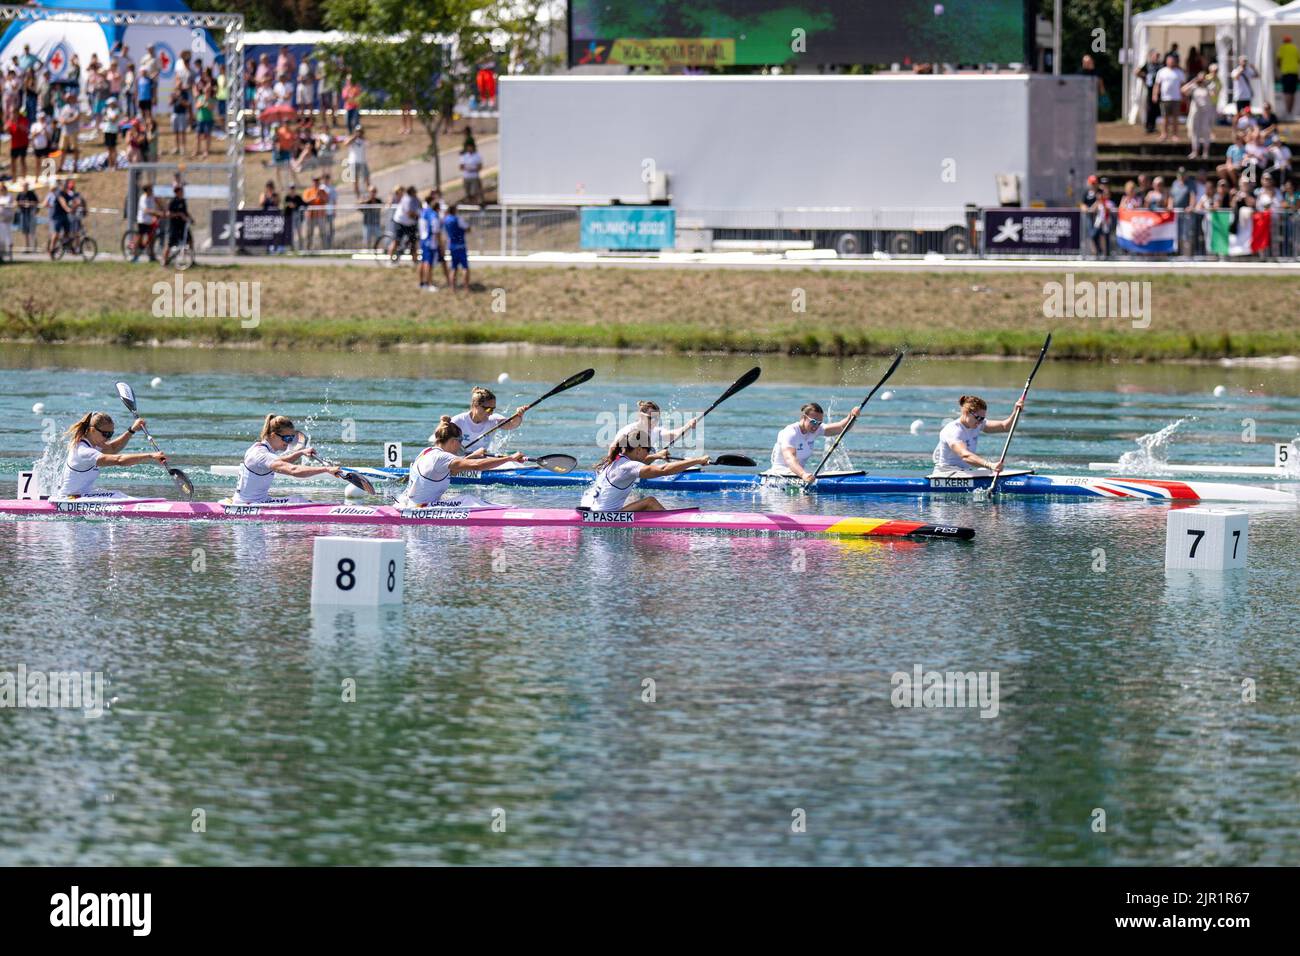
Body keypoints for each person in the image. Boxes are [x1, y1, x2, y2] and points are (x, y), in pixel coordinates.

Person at [397, 417, 525, 509]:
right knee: (469, 499)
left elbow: (452, 470)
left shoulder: (427, 451)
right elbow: (477, 466)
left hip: (410, 504)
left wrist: (473, 455)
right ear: (453, 441)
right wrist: (510, 458)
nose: (460, 445)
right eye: (460, 440)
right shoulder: (442, 457)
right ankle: (509, 510)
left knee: (460, 496)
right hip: (421, 508)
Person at [580, 430, 709, 513]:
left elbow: (641, 466)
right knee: (650, 502)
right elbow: (662, 470)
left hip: (595, 512)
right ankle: (670, 527)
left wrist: (656, 456)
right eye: (648, 449)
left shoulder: (614, 461)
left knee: (642, 501)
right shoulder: (628, 467)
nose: (648, 452)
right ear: (639, 449)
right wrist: (697, 460)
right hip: (606, 517)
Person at [231, 415, 340, 504]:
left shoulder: (259, 448)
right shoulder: (262, 455)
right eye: (287, 438)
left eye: (292, 438)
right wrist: (325, 469)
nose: (289, 442)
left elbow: (279, 461)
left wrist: (301, 452)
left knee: (297, 499)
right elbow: (293, 470)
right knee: (298, 500)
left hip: (253, 501)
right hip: (251, 505)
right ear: (273, 435)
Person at [58, 411, 166, 498]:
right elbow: (118, 460)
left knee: (117, 494)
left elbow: (113, 448)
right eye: (106, 434)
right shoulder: (83, 451)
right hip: (70, 499)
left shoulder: (92, 444)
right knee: (117, 495)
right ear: (92, 430)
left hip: (83, 496)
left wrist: (131, 430)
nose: (109, 438)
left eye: (111, 434)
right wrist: (150, 456)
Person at [769, 402, 861, 484]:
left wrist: (851, 416)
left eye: (819, 423)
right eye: (813, 421)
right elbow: (790, 459)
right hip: (780, 475)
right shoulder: (790, 433)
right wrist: (803, 474)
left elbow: (841, 427)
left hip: (799, 475)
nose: (816, 426)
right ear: (804, 417)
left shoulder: (815, 429)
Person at [931, 395, 1024, 476]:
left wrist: (1016, 412)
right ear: (966, 412)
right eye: (978, 418)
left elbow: (1005, 427)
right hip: (946, 474)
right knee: (987, 470)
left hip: (964, 472)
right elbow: (965, 456)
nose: (980, 422)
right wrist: (990, 465)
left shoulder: (977, 424)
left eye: (982, 418)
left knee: (986, 471)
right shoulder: (953, 430)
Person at [435, 386, 529, 448]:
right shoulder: (458, 421)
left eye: (493, 409)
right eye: (488, 409)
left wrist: (519, 415)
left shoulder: (494, 420)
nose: (491, 413)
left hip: (481, 460)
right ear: (475, 405)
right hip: (460, 460)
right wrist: (443, 424)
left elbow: (512, 425)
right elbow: (440, 442)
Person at [613, 400, 702, 459]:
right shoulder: (627, 431)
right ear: (640, 415)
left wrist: (688, 426)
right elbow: (614, 450)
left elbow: (674, 435)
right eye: (650, 417)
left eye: (656, 418)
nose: (653, 421)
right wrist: (657, 456)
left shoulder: (655, 431)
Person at [1153, 54, 1185, 143]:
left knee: (1175, 118)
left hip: (1176, 98)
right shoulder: (1161, 71)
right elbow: (1157, 85)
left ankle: (1175, 135)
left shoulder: (1179, 72)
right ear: (1166, 61)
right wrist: (1155, 95)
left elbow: (1183, 86)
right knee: (1165, 118)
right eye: (1169, 60)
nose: (1171, 62)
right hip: (1165, 98)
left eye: (1172, 60)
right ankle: (1164, 134)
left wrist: (1184, 97)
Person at [1182, 72, 1214, 159]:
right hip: (1195, 112)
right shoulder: (1194, 86)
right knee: (1194, 132)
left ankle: (1205, 152)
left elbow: (1213, 94)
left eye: (1202, 78)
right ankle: (1195, 152)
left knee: (1206, 131)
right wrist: (1193, 81)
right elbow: (1183, 90)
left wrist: (1207, 84)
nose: (1201, 80)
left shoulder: (1209, 86)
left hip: (1206, 112)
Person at [160, 184, 192, 266]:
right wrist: (179, 214)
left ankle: (190, 260)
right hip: (174, 226)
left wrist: (190, 218)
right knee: (169, 244)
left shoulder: (183, 201)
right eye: (181, 191)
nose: (183, 193)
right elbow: (168, 214)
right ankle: (164, 260)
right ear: (177, 192)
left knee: (189, 241)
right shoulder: (173, 202)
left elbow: (185, 212)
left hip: (183, 226)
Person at [388, 185, 420, 265]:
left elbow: (420, 207)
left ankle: (415, 261)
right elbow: (409, 214)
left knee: (414, 242)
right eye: (414, 192)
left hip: (411, 223)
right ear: (411, 192)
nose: (416, 193)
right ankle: (390, 260)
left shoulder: (415, 199)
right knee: (396, 241)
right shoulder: (407, 199)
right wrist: (419, 217)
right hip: (400, 222)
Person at [443, 202, 471, 290]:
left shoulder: (446, 220)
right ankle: (466, 287)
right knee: (465, 267)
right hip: (461, 246)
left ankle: (452, 287)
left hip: (451, 245)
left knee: (453, 267)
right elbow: (467, 228)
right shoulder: (458, 219)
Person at [417, 190, 442, 292]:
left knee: (423, 261)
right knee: (429, 263)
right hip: (429, 241)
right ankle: (428, 284)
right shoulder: (432, 214)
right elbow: (435, 230)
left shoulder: (423, 212)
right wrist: (440, 244)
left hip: (423, 239)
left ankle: (421, 282)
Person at [130, 182, 161, 262]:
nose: (152, 191)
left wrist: (163, 210)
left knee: (152, 238)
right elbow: (146, 210)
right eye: (150, 190)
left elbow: (159, 203)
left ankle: (152, 256)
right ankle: (135, 255)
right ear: (147, 191)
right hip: (143, 221)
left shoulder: (153, 197)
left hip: (150, 221)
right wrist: (156, 213)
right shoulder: (143, 198)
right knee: (140, 238)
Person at [1136, 50, 1162, 134]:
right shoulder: (1147, 65)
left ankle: (1153, 126)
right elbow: (1136, 72)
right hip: (1150, 89)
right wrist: (1144, 76)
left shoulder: (1160, 65)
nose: (1156, 58)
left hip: (1159, 89)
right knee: (1149, 108)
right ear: (1151, 56)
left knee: (1155, 108)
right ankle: (1148, 126)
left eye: (1157, 56)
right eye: (1155, 56)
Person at [342, 124, 369, 198]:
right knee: (355, 180)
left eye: (360, 131)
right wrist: (354, 137)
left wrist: (362, 138)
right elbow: (346, 144)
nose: (359, 133)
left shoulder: (364, 140)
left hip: (363, 161)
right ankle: (358, 197)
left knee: (366, 179)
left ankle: (369, 196)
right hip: (353, 162)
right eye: (358, 131)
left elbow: (368, 144)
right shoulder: (351, 139)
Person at [1278, 35, 1300, 117]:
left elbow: (1278, 60)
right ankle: (1290, 111)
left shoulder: (1282, 48)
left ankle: (1288, 112)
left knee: (1287, 93)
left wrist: (1281, 67)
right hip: (1294, 73)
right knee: (1292, 93)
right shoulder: (1295, 48)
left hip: (1286, 73)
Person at [5, 106, 28, 179]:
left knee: (22, 161)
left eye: (13, 113)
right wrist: (8, 127)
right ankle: (14, 178)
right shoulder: (10, 120)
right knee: (13, 162)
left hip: (23, 143)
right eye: (12, 113)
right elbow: (6, 130)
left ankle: (24, 177)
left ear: (17, 113)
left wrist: (17, 123)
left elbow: (25, 129)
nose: (12, 114)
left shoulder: (23, 119)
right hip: (14, 144)